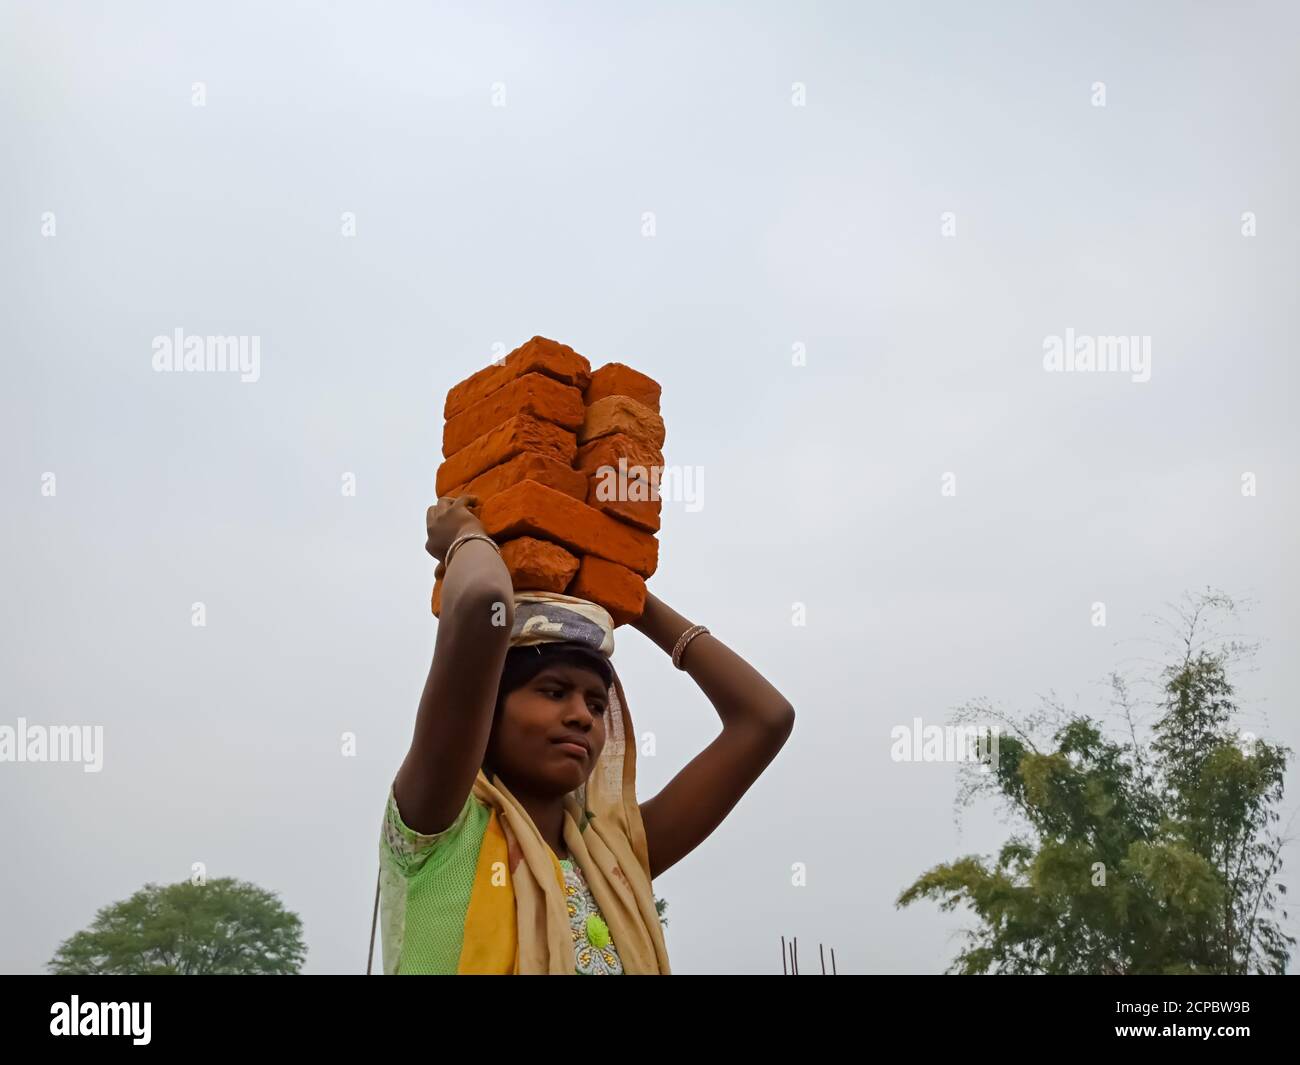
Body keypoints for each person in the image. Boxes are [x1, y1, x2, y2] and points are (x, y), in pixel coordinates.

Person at [375, 495, 795, 974]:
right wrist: (464, 535)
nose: (582, 717)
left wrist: (631, 596)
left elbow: (765, 719)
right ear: (487, 710)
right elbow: (482, 601)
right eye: (554, 692)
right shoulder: (439, 825)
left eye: (597, 704)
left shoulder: (615, 855)